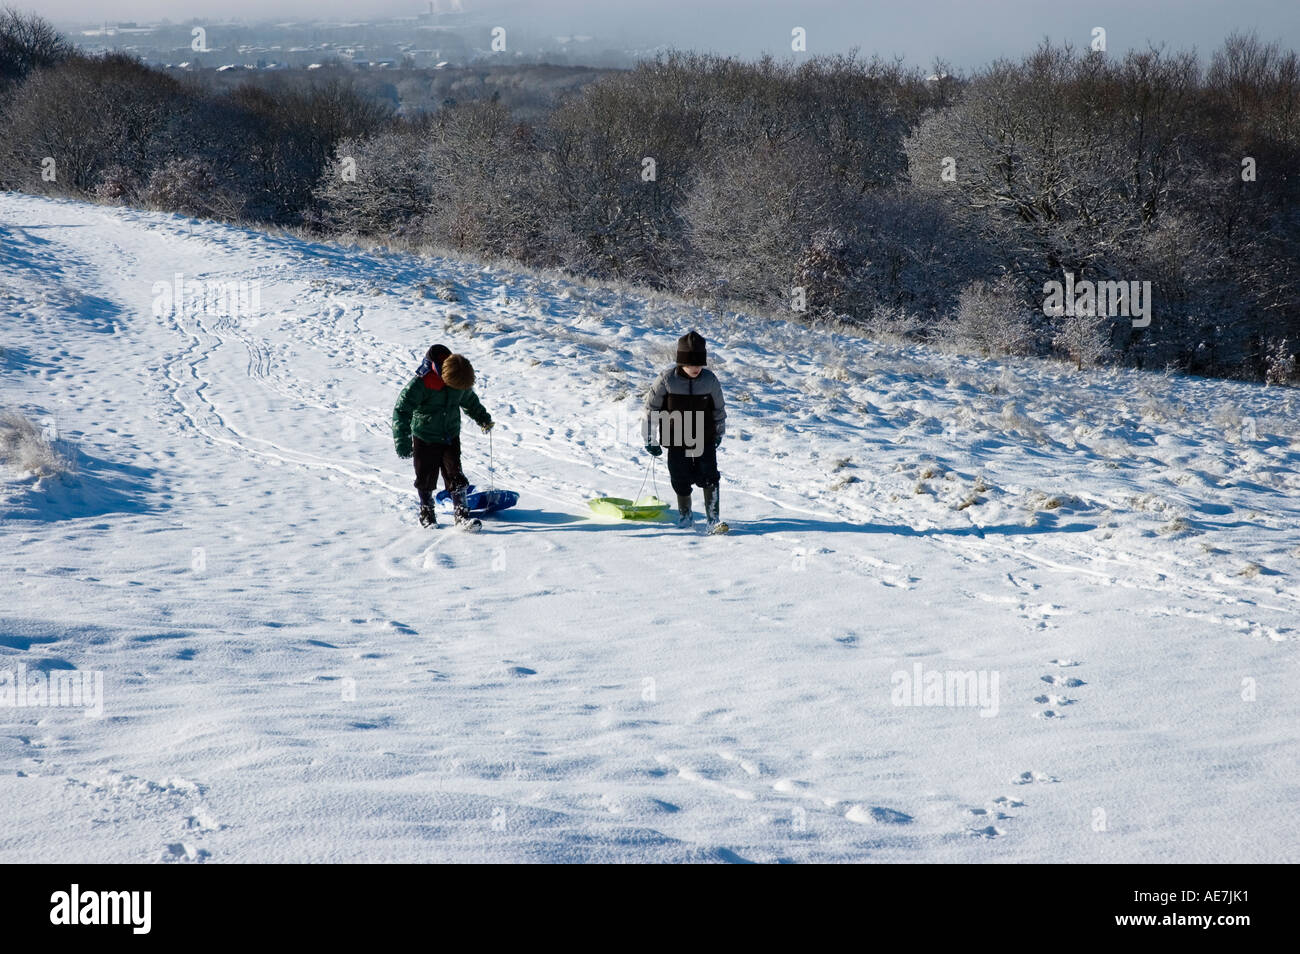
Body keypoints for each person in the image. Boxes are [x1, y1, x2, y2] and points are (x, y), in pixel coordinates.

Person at [392, 345, 494, 531]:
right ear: (445, 379)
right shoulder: (421, 383)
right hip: (425, 436)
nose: (461, 390)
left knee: (455, 473)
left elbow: (469, 401)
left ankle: (462, 515)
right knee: (425, 476)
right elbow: (402, 410)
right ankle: (426, 512)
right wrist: (402, 440)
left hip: (450, 435)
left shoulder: (458, 377)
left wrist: (483, 418)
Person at [642, 330, 728, 533]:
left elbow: (719, 410)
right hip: (676, 438)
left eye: (699, 363)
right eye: (690, 364)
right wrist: (650, 439)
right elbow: (651, 410)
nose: (696, 368)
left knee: (709, 476)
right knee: (679, 476)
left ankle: (713, 519)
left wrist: (719, 433)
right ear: (681, 362)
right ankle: (685, 516)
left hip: (703, 437)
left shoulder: (709, 380)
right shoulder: (667, 379)